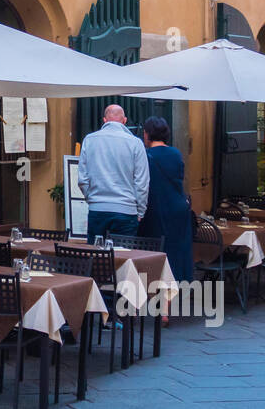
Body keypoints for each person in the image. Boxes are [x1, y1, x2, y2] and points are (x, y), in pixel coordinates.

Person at [138, 117, 194, 314]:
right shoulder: (176, 154)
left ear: (147, 134)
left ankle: (154, 303)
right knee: (175, 257)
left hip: (156, 210)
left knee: (155, 256)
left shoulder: (145, 156)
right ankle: (167, 307)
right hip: (178, 210)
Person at [77, 104, 149, 239]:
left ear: (104, 120)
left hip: (97, 209)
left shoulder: (90, 140)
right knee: (122, 257)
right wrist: (140, 211)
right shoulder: (135, 143)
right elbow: (142, 182)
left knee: (96, 257)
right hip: (126, 210)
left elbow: (82, 179)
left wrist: (92, 199)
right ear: (125, 121)